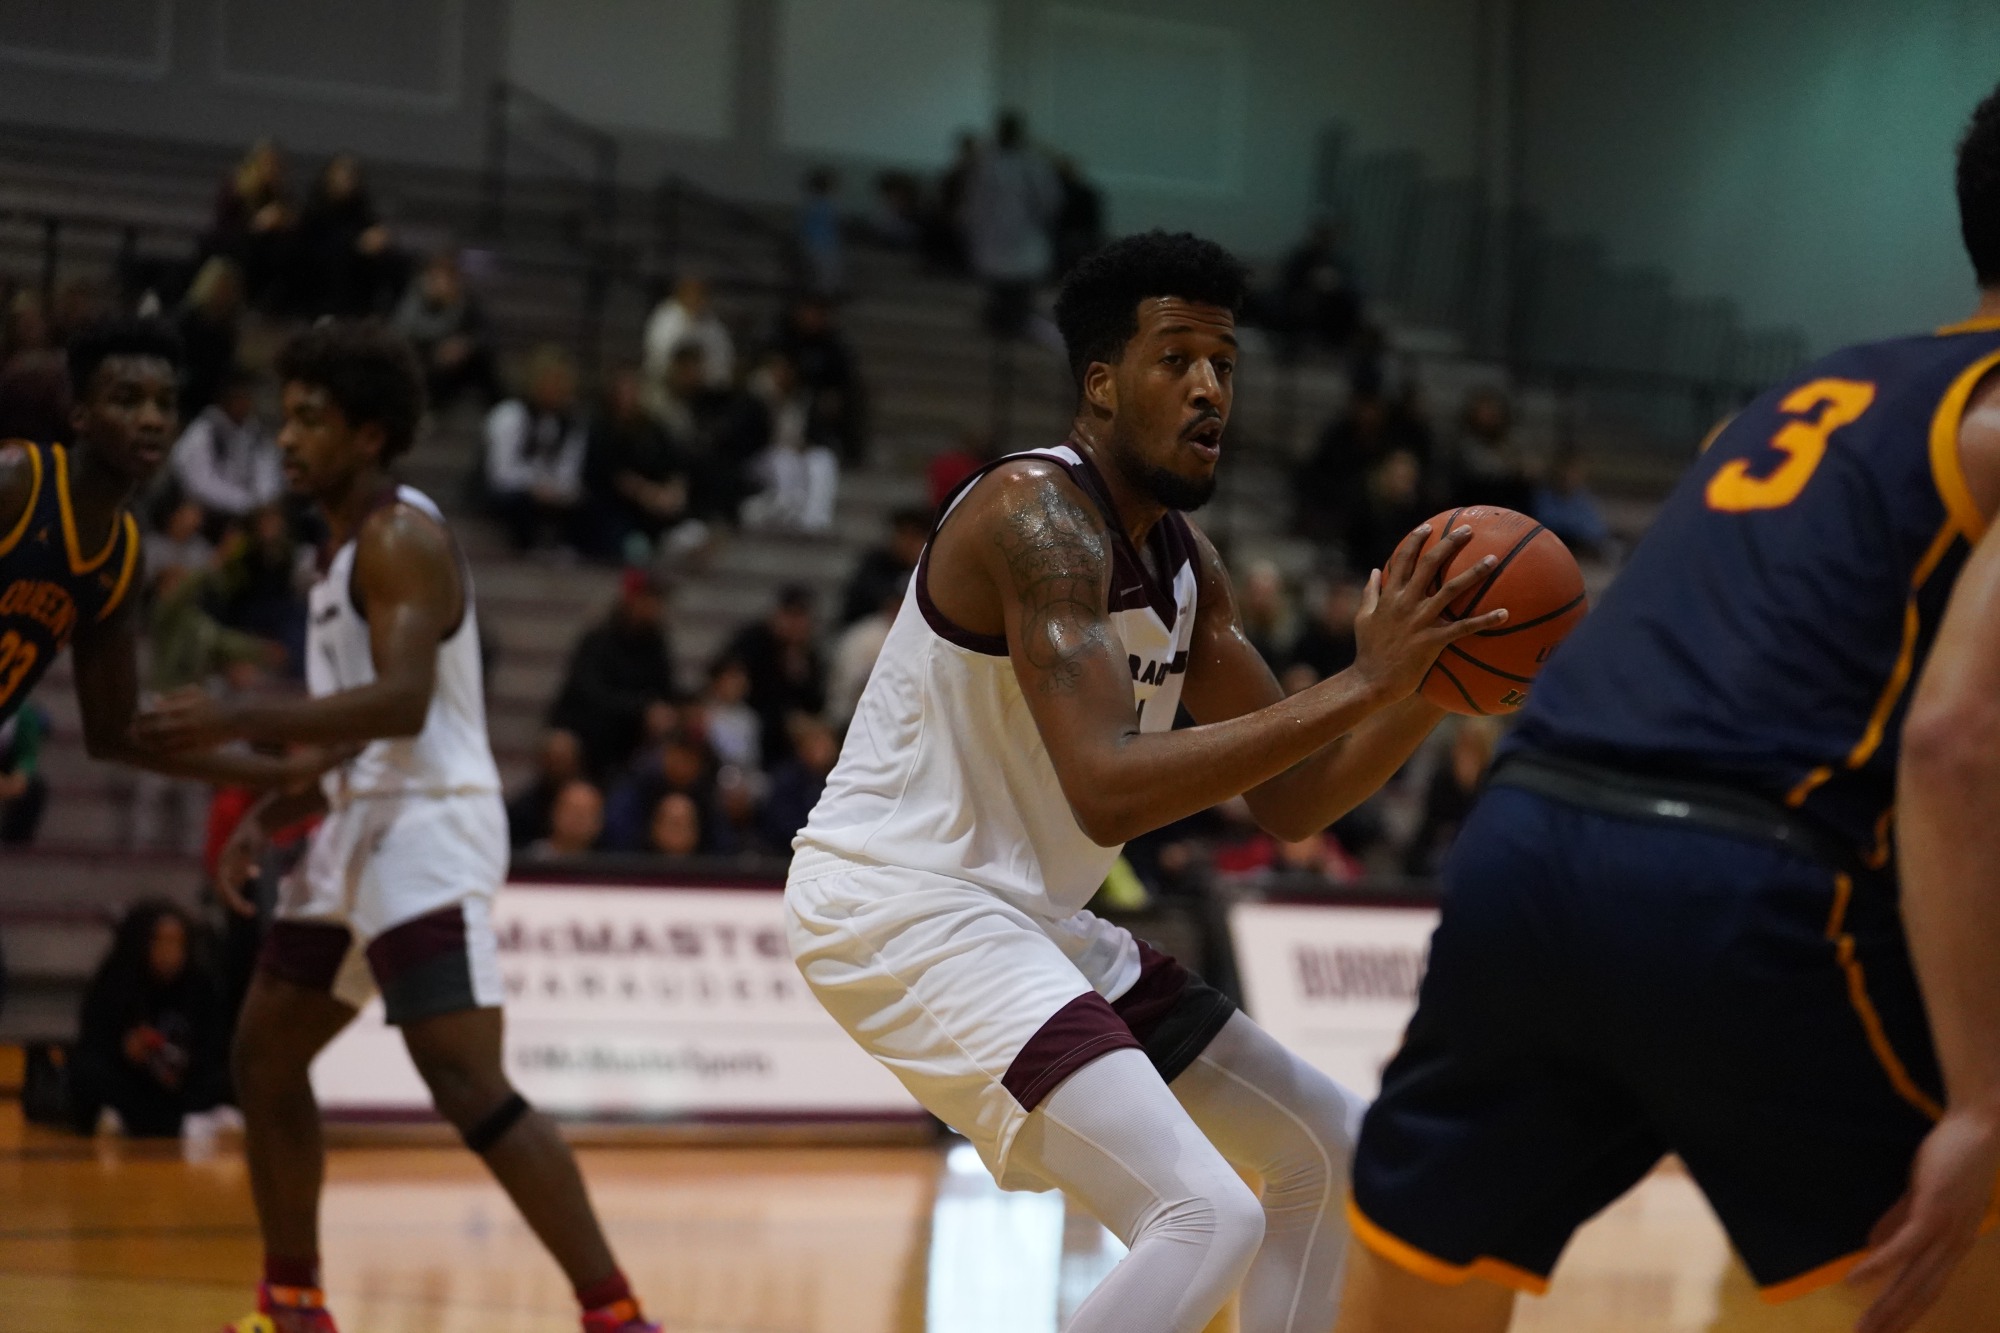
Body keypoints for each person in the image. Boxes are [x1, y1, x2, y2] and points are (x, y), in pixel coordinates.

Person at [1333, 86, 2000, 1333]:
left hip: (1522, 847)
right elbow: (1957, 741)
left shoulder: (1791, 398)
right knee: (1950, 1267)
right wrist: (1979, 1097)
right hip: (1749, 889)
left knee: (1414, 1306)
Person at [787, 230, 1506, 1333]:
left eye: (1224, 364)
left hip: (1029, 916)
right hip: (901, 900)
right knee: (1204, 1214)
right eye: (1176, 360)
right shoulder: (1033, 518)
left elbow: (1294, 797)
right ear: (1100, 383)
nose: (1210, 387)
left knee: (1326, 1149)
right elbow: (1107, 791)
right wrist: (1365, 682)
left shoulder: (1185, 565)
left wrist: (1428, 681)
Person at [133, 322, 660, 1333]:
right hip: (360, 822)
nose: (288, 439)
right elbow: (353, 728)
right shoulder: (330, 553)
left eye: (312, 421)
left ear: (370, 435)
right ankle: (291, 1304)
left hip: (429, 824)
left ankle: (619, 1314)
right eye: (284, 417)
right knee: (265, 1055)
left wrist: (239, 717)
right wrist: (278, 808)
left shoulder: (397, 536)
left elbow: (403, 702)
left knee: (465, 1081)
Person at [0, 319, 336, 794]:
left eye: (165, 403)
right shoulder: (18, 484)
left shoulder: (119, 558)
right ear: (80, 414)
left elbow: (116, 734)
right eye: (127, 399)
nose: (153, 418)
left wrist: (277, 773)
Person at [68, 901, 228, 1137]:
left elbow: (214, 1046)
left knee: (232, 1076)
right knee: (85, 1073)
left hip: (182, 1086)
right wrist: (124, 1050)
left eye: (177, 942)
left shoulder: (200, 984)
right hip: (131, 1082)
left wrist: (186, 1064)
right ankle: (162, 1121)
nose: (169, 952)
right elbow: (92, 1042)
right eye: (160, 941)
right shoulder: (115, 981)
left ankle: (143, 1121)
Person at [546, 570, 679, 782]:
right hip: (587, 729)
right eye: (649, 597)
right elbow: (590, 695)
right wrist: (641, 708)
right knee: (560, 746)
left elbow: (667, 692)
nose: (655, 607)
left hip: (631, 735)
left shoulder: (657, 645)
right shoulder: (598, 640)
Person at [582, 365, 702, 565]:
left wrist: (675, 490)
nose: (629, 398)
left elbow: (675, 463)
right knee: (630, 545)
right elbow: (615, 475)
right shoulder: (602, 429)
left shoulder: (653, 428)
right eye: (623, 392)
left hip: (657, 504)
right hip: (615, 508)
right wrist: (649, 495)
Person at [961, 111, 1060, 339]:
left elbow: (1049, 200)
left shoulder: (1033, 163)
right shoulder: (988, 162)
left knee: (1019, 287)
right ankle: (1000, 320)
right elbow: (976, 201)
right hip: (994, 237)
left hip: (1025, 237)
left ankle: (1020, 319)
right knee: (998, 286)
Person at [484, 346, 589, 555]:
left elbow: (570, 470)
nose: (557, 389)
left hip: (551, 491)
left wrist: (556, 489)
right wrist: (534, 485)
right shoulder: (510, 415)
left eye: (562, 383)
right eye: (551, 382)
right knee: (518, 503)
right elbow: (501, 473)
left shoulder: (572, 423)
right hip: (515, 491)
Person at [722, 585, 826, 767]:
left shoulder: (809, 655)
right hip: (754, 720)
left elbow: (815, 702)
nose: (796, 624)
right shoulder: (753, 642)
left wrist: (799, 675)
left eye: (801, 617)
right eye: (791, 616)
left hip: (792, 735)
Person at [170, 367, 284, 532]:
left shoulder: (254, 431)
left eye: (247, 397)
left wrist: (261, 502)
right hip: (208, 516)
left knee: (273, 522)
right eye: (239, 397)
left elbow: (268, 472)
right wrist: (246, 503)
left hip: (248, 514)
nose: (244, 403)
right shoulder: (203, 432)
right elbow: (200, 485)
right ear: (225, 399)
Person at [739, 352, 839, 534]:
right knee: (785, 460)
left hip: (795, 451)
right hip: (762, 457)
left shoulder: (803, 398)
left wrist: (807, 444)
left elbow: (815, 432)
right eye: (778, 370)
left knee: (823, 459)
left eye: (787, 371)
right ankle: (787, 509)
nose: (782, 375)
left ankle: (815, 520)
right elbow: (746, 436)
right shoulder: (755, 397)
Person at [391, 251, 500, 410]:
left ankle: (497, 410)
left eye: (447, 278)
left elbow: (487, 334)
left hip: (454, 370)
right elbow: (399, 334)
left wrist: (464, 345)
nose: (441, 283)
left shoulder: (465, 304)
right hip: (421, 365)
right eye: (435, 277)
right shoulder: (409, 300)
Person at [295, 154, 400, 318]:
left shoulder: (363, 215)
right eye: (341, 174)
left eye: (351, 176)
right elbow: (308, 255)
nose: (346, 181)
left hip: (355, 305)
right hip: (315, 302)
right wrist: (355, 245)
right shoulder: (311, 214)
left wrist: (379, 246)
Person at [642, 276, 734, 404]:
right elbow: (657, 361)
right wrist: (680, 374)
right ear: (681, 294)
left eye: (700, 295)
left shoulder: (713, 325)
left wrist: (699, 376)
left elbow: (722, 371)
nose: (696, 299)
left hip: (703, 393)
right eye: (691, 293)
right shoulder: (665, 318)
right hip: (665, 390)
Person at [177, 257, 246, 418]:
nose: (224, 293)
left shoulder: (227, 328)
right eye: (221, 286)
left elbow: (224, 368)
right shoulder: (186, 321)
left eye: (229, 288)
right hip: (186, 393)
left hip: (210, 399)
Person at [840, 507, 929, 627]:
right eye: (903, 535)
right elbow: (880, 601)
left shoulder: (930, 569)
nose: (908, 543)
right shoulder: (875, 563)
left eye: (914, 536)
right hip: (869, 627)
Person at [506, 728, 586, 849]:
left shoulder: (586, 794)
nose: (558, 766)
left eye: (564, 759)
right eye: (553, 759)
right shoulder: (523, 809)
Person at [1531, 445, 1614, 560]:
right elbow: (1546, 524)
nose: (1568, 476)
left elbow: (1596, 531)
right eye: (1565, 470)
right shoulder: (1542, 497)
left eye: (1575, 471)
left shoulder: (1584, 500)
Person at [0, 698, 48, 845]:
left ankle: (15, 843)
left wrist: (20, 777)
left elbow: (27, 755)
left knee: (33, 788)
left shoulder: (22, 713)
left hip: (7, 769)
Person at [525, 779, 604, 860]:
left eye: (586, 814)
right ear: (554, 812)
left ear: (598, 823)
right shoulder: (530, 859)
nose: (577, 819)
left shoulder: (604, 866)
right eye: (572, 810)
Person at [796, 168, 843, 296]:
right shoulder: (822, 205)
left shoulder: (813, 204)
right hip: (822, 244)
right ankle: (822, 296)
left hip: (821, 243)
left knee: (825, 273)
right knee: (825, 274)